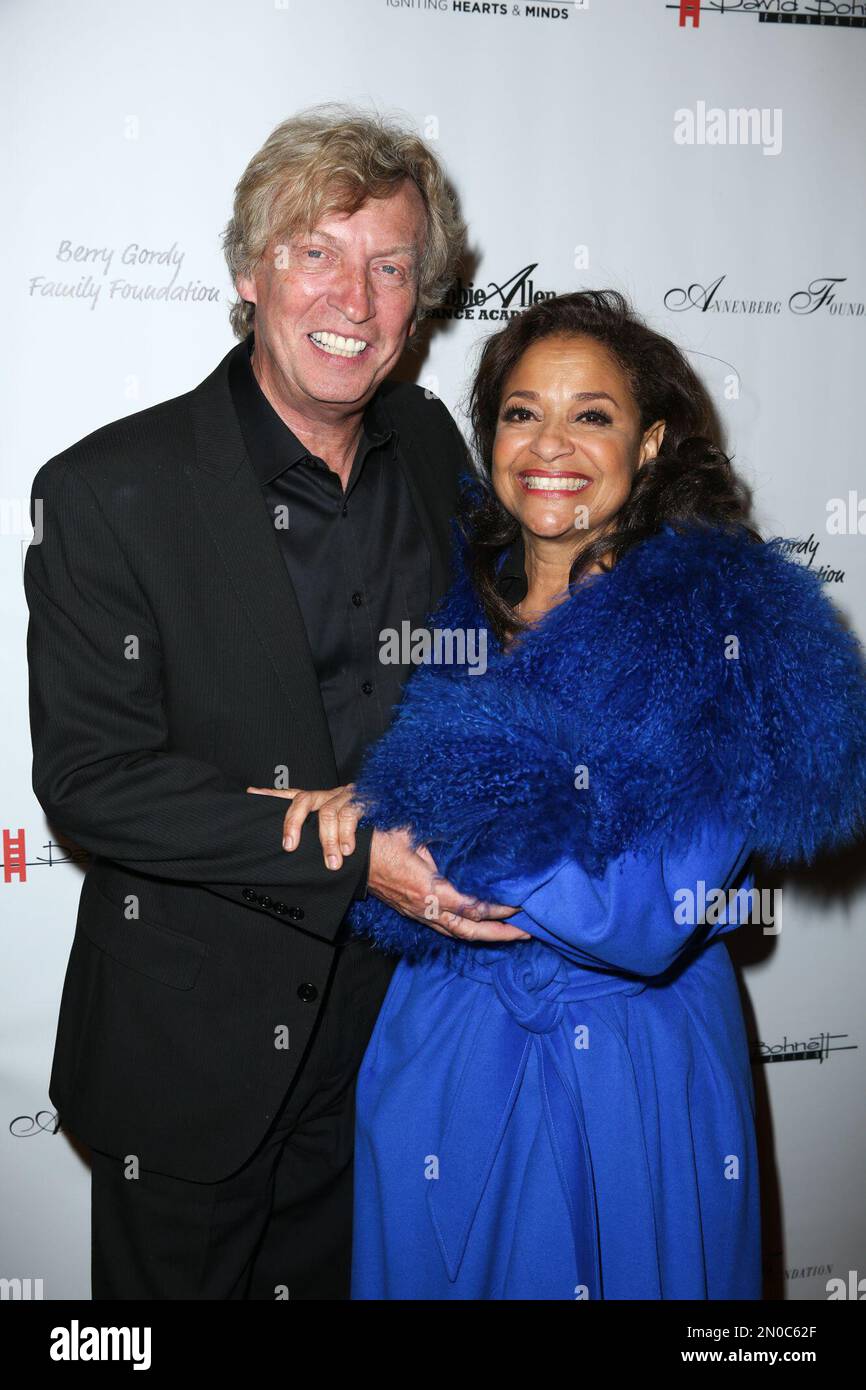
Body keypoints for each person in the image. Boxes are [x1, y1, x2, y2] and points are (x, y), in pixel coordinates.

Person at [23, 103, 524, 1302]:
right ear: (251, 272)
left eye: (389, 266)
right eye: (316, 253)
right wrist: (356, 852)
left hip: (392, 1045)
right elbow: (93, 783)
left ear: (422, 300)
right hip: (188, 1062)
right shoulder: (109, 491)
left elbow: (487, 658)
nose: (352, 300)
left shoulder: (430, 442)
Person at [304, 289, 866, 1299]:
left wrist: (422, 803)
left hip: (618, 1069)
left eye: (590, 414)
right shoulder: (447, 604)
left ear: (648, 442)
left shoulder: (719, 629)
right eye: (521, 411)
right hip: (436, 1059)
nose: (547, 444)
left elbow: (647, 916)